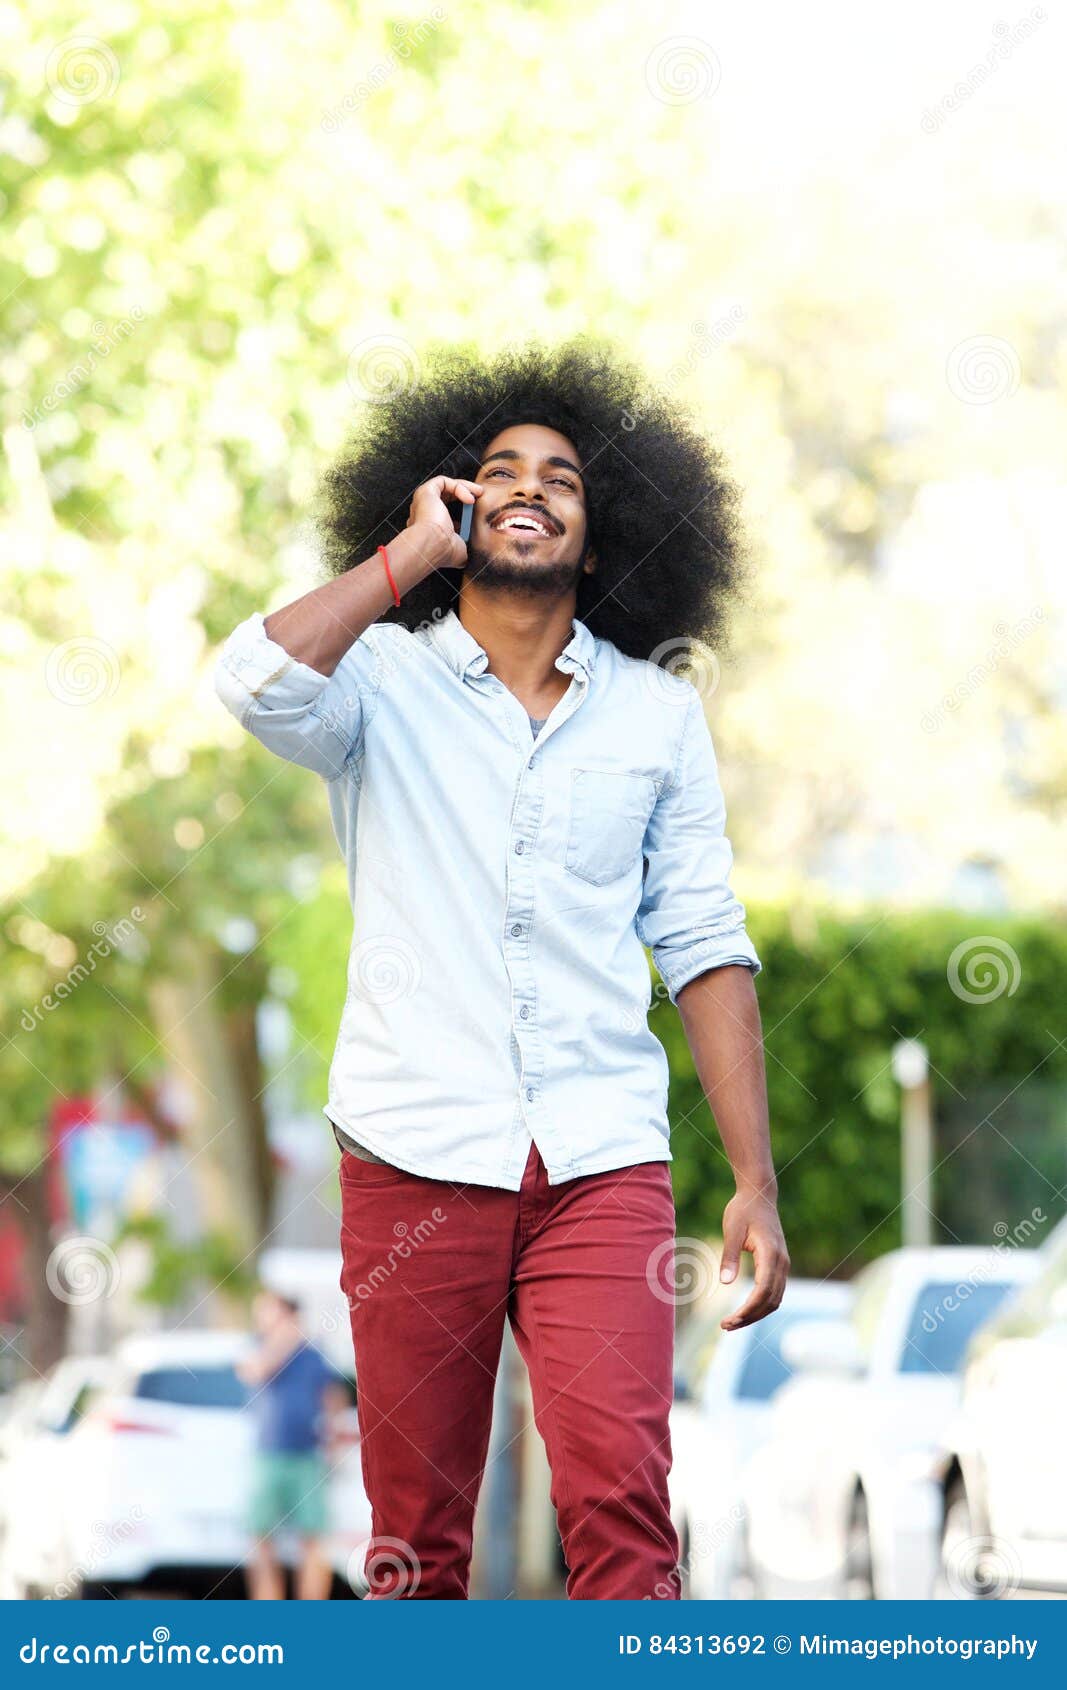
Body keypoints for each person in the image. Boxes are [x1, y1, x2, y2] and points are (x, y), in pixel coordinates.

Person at [214, 338, 789, 1600]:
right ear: (454, 500)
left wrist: (752, 1178)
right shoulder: (373, 684)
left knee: (626, 1511)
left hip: (600, 1159)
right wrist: (407, 559)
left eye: (562, 480)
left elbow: (700, 940)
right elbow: (245, 680)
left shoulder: (654, 714)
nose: (528, 488)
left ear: (601, 534)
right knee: (414, 1541)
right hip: (415, 1147)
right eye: (497, 472)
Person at [236, 1287, 350, 1600]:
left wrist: (333, 1435)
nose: (260, 1317)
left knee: (314, 1538)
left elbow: (334, 1396)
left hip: (307, 1457)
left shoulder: (313, 1353)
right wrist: (285, 1340)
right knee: (261, 1537)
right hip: (268, 1456)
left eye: (267, 1309)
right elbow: (253, 1370)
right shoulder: (258, 1346)